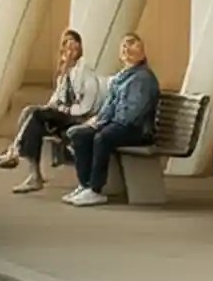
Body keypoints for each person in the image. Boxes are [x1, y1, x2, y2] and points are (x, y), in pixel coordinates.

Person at [0, 30, 103, 181]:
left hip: (77, 117)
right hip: (64, 114)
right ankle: (15, 155)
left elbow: (86, 107)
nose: (70, 49)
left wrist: (63, 109)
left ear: (80, 49)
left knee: (37, 115)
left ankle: (16, 157)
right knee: (30, 111)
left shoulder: (86, 74)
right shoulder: (65, 74)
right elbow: (56, 99)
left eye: (74, 46)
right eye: (66, 45)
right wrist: (48, 108)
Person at [63, 33, 159, 207]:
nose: (127, 48)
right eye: (124, 46)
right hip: (118, 125)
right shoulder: (121, 77)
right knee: (79, 134)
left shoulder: (143, 78)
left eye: (132, 44)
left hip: (137, 130)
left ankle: (96, 189)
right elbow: (108, 106)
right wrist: (97, 121)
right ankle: (85, 185)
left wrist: (104, 125)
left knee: (103, 137)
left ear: (143, 51)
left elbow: (133, 114)